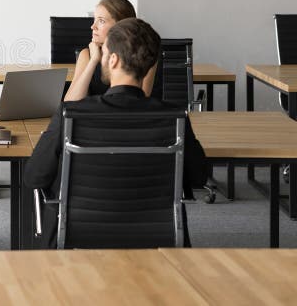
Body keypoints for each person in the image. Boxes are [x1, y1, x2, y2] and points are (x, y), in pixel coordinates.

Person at [24, 18, 207, 249]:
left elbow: (34, 176)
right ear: (149, 65)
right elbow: (199, 177)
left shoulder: (71, 114)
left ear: (113, 59)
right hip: (156, 236)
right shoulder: (174, 116)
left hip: (77, 235)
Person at [63, 0, 155, 101]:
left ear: (121, 26)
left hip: (129, 116)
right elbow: (70, 104)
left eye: (101, 21)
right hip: (94, 116)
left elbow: (139, 101)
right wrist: (93, 61)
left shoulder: (142, 53)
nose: (93, 27)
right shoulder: (87, 54)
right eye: (94, 20)